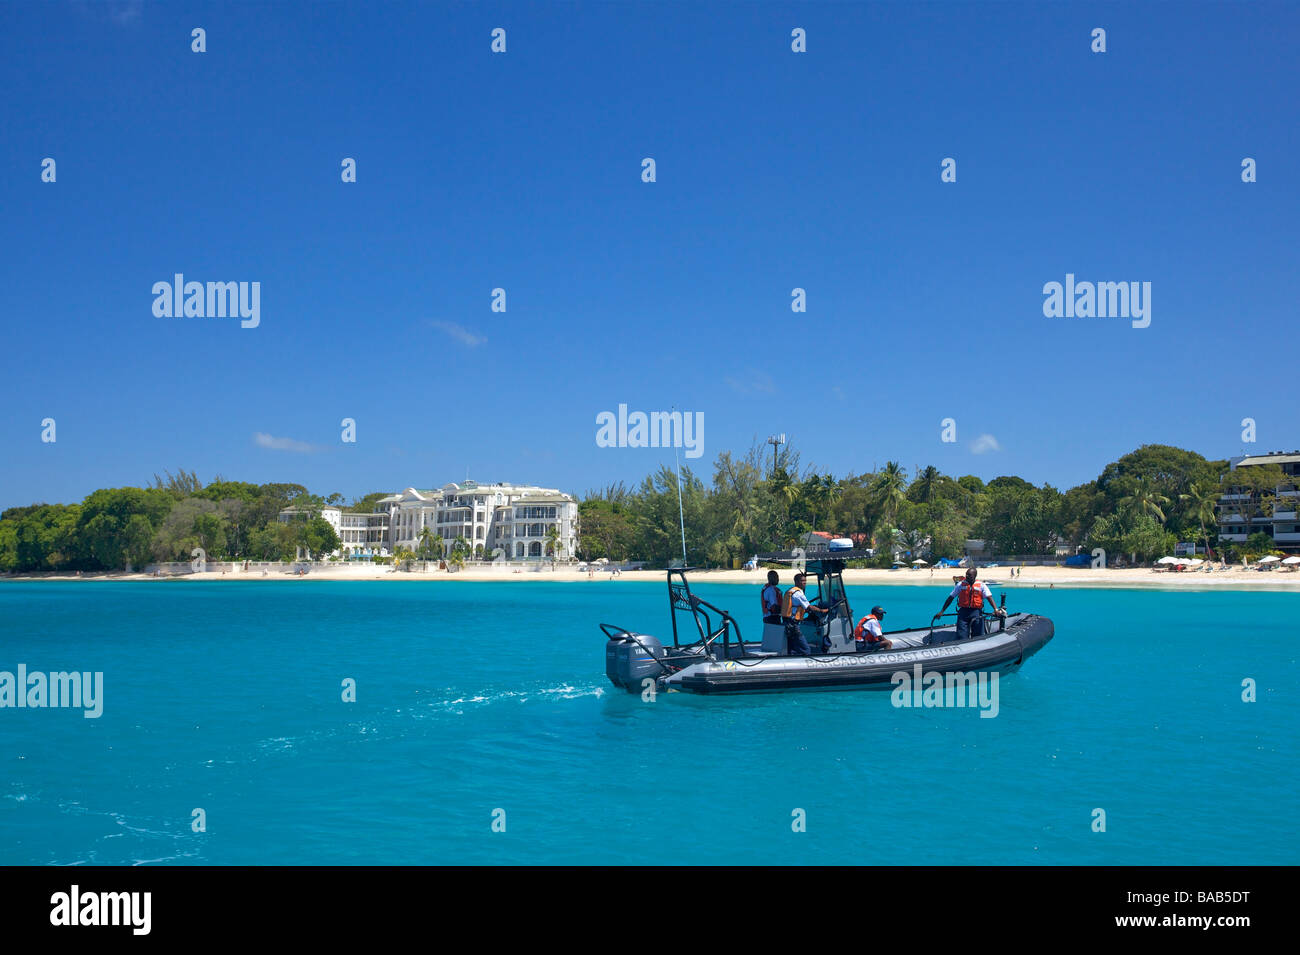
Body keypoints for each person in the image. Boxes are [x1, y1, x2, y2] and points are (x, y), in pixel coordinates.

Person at [934, 568, 1004, 641]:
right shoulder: (960, 585)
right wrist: (942, 611)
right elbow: (950, 598)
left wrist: (996, 609)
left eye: (969, 575)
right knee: (961, 636)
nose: (966, 576)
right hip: (963, 613)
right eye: (966, 574)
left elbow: (989, 597)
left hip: (976, 612)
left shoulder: (982, 585)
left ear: (974, 576)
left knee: (978, 636)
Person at [781, 572, 828, 656]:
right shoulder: (798, 594)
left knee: (792, 648)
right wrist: (822, 611)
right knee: (806, 649)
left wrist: (806, 611)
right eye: (802, 581)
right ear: (796, 581)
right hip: (793, 625)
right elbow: (809, 607)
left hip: (787, 623)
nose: (804, 583)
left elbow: (795, 608)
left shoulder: (790, 591)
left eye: (805, 581)